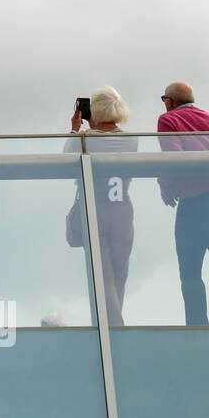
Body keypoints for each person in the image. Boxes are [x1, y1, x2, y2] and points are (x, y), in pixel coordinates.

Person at [157, 82, 209, 325]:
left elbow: (173, 159)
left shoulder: (169, 120)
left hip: (193, 204)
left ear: (170, 102)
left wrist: (167, 187)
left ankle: (198, 326)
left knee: (191, 271)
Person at [65, 87, 138, 326]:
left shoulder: (85, 139)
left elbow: (66, 159)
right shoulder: (131, 139)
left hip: (95, 208)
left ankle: (111, 330)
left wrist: (76, 129)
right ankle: (113, 328)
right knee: (119, 275)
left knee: (102, 276)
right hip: (122, 209)